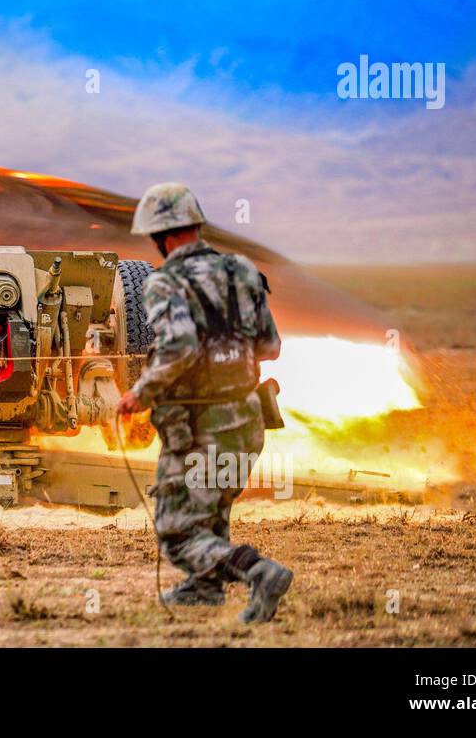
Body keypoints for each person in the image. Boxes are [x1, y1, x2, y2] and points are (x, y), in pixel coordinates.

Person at [117, 183, 293, 622]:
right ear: (196, 224)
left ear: (161, 236)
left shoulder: (165, 283)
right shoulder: (243, 271)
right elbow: (270, 346)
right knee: (212, 513)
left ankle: (259, 572)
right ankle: (205, 588)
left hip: (199, 425)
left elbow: (178, 348)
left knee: (176, 532)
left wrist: (140, 394)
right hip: (248, 419)